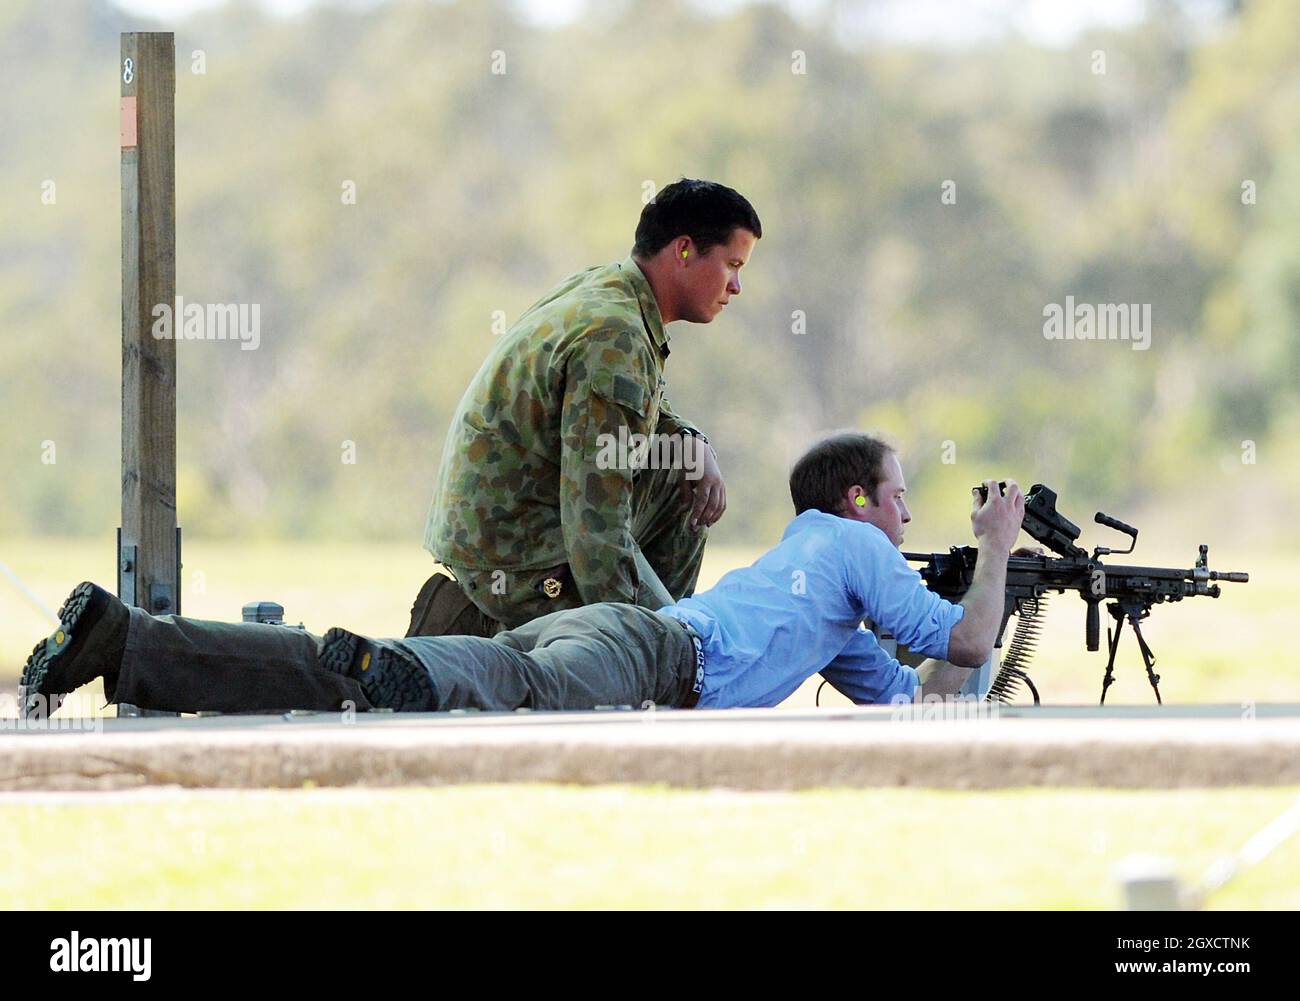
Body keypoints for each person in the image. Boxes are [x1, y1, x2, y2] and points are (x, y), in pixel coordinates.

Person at [19, 433, 1024, 719]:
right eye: (898, 496)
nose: (906, 515)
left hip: (613, 638)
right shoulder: (849, 543)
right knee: (419, 680)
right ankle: (399, 665)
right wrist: (993, 554)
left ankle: (127, 643)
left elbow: (926, 702)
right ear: (857, 503)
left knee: (364, 683)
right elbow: (967, 641)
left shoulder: (832, 604)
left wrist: (1003, 599)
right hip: (641, 648)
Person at [409, 178, 761, 638]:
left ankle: (632, 652)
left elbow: (642, 409)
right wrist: (646, 643)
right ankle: (503, 629)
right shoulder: (615, 337)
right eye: (731, 265)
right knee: (683, 650)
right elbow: (595, 529)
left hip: (503, 527)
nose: (736, 286)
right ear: (684, 250)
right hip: (515, 554)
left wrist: (691, 442)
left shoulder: (608, 289)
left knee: (683, 470)